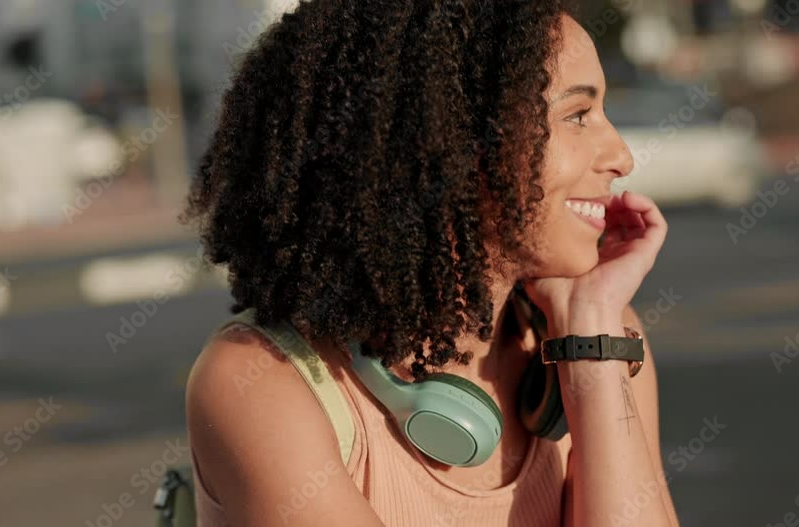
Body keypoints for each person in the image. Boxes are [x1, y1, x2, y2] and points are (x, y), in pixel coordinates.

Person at [181, 1, 679, 525]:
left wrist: (591, 337)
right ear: (452, 143)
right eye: (577, 115)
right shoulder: (263, 383)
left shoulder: (599, 337)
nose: (621, 156)